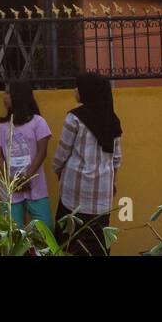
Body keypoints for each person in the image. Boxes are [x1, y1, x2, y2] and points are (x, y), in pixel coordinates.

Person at [51, 71, 123, 256]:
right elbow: (116, 158)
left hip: (73, 194)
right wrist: (113, 182)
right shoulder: (112, 120)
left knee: (68, 241)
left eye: (78, 86)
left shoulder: (74, 118)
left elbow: (62, 152)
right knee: (98, 243)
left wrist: (57, 169)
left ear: (88, 91)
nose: (75, 90)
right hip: (102, 197)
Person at [0, 80, 53, 233]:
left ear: (18, 96)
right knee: (12, 233)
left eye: (7, 93)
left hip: (35, 187)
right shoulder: (2, 127)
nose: (3, 97)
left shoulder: (38, 122)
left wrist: (26, 177)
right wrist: (10, 181)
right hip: (10, 189)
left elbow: (42, 152)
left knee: (45, 230)